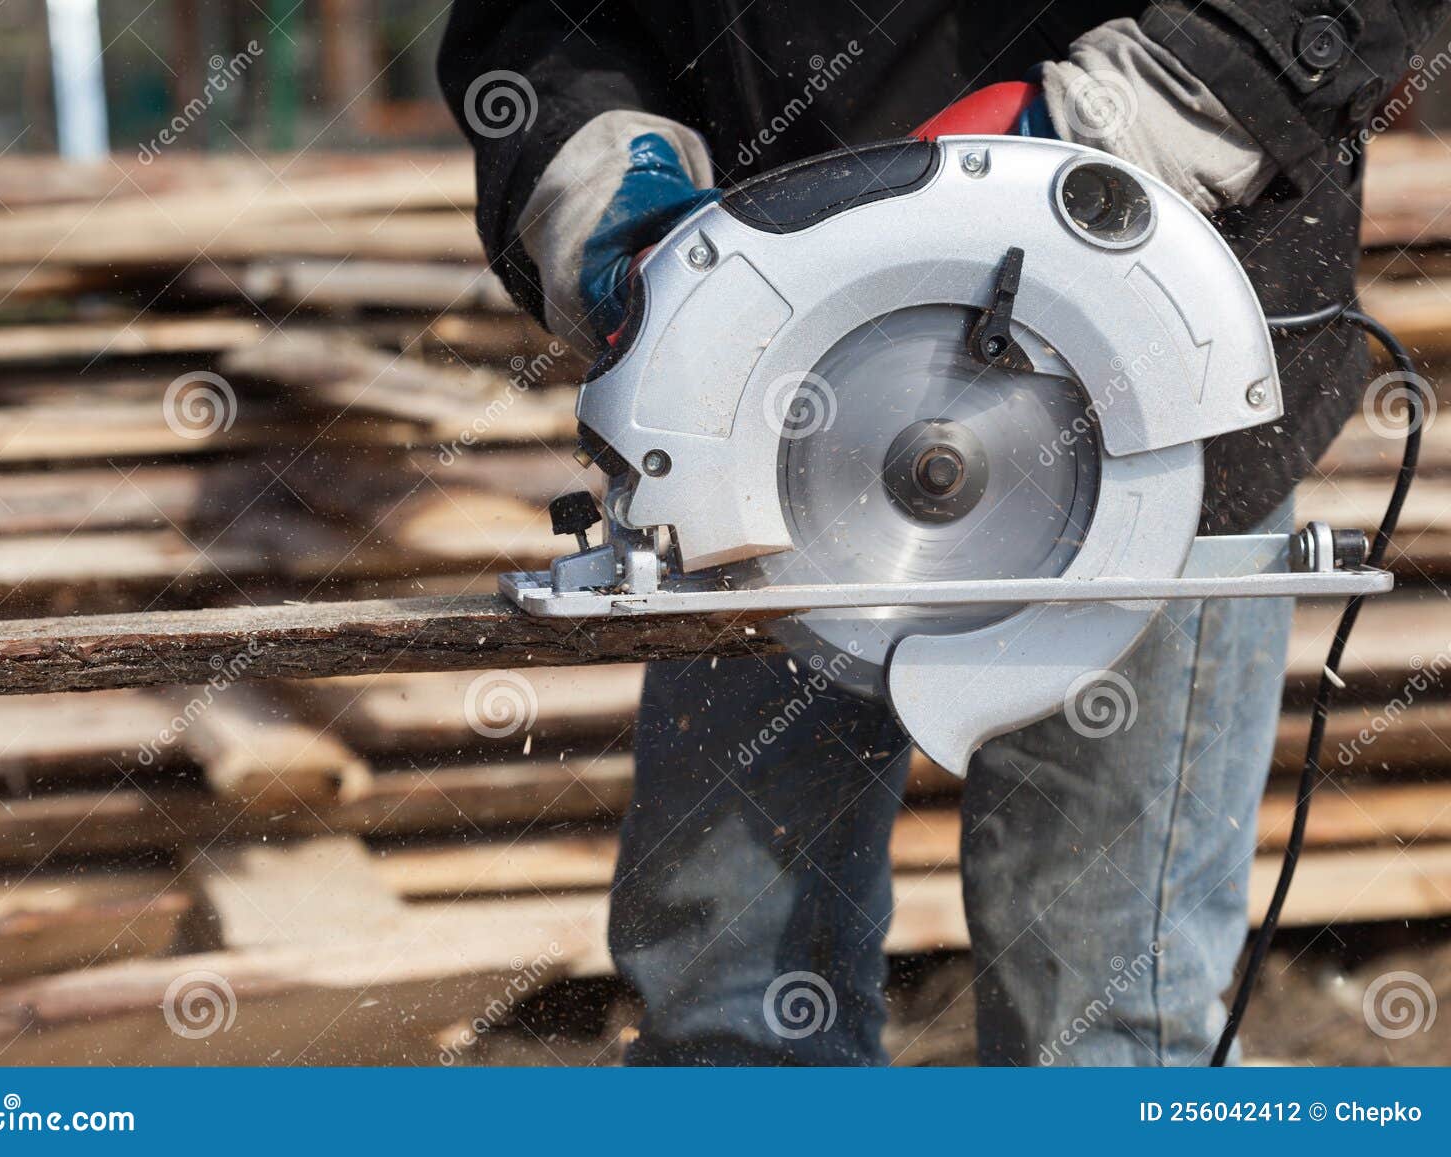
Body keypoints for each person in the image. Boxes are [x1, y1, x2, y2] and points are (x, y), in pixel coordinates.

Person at [438, 2, 1451, 1065]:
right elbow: (545, 29)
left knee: (1100, 1027)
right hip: (750, 397)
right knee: (726, 1007)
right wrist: (606, 181)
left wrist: (1120, 116)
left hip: (1149, 381)